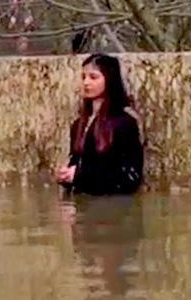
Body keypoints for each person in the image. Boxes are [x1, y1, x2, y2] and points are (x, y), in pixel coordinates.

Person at [55, 53, 144, 195]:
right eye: (83, 77)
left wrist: (80, 176)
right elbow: (76, 164)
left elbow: (130, 177)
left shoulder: (124, 123)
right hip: (83, 205)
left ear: (109, 80)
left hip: (112, 209)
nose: (86, 82)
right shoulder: (78, 125)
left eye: (93, 77)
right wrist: (66, 176)